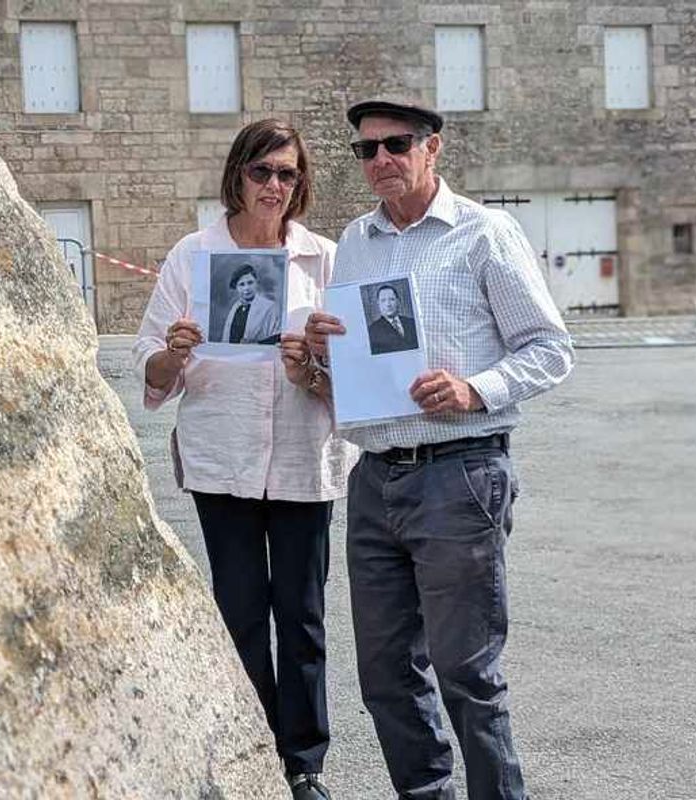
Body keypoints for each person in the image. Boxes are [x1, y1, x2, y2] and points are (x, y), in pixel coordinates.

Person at [303, 99, 574, 800]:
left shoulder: (485, 232)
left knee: (467, 672)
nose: (381, 160)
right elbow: (362, 370)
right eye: (367, 150)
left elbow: (550, 350)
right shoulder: (356, 242)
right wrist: (321, 348)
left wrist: (473, 388)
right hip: (375, 479)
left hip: (460, 473)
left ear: (433, 149)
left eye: (396, 145)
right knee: (386, 675)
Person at [133, 118, 356, 800]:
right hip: (221, 456)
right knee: (238, 610)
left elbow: (361, 375)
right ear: (238, 174)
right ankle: (251, 748)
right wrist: (173, 352)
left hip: (301, 457)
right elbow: (149, 367)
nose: (274, 186)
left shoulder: (326, 258)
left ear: (301, 183)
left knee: (302, 613)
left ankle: (305, 763)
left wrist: (316, 362)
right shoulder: (191, 255)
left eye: (287, 174)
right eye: (262, 171)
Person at [221, 263, 281, 344]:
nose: (247, 288)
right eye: (241, 284)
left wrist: (255, 344)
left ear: (256, 282)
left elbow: (277, 338)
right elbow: (226, 338)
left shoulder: (269, 307)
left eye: (250, 283)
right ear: (236, 288)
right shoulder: (235, 307)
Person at [366, 283, 418, 354]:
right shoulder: (372, 331)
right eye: (383, 300)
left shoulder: (412, 322)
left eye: (392, 299)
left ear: (398, 301)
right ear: (378, 304)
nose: (388, 304)